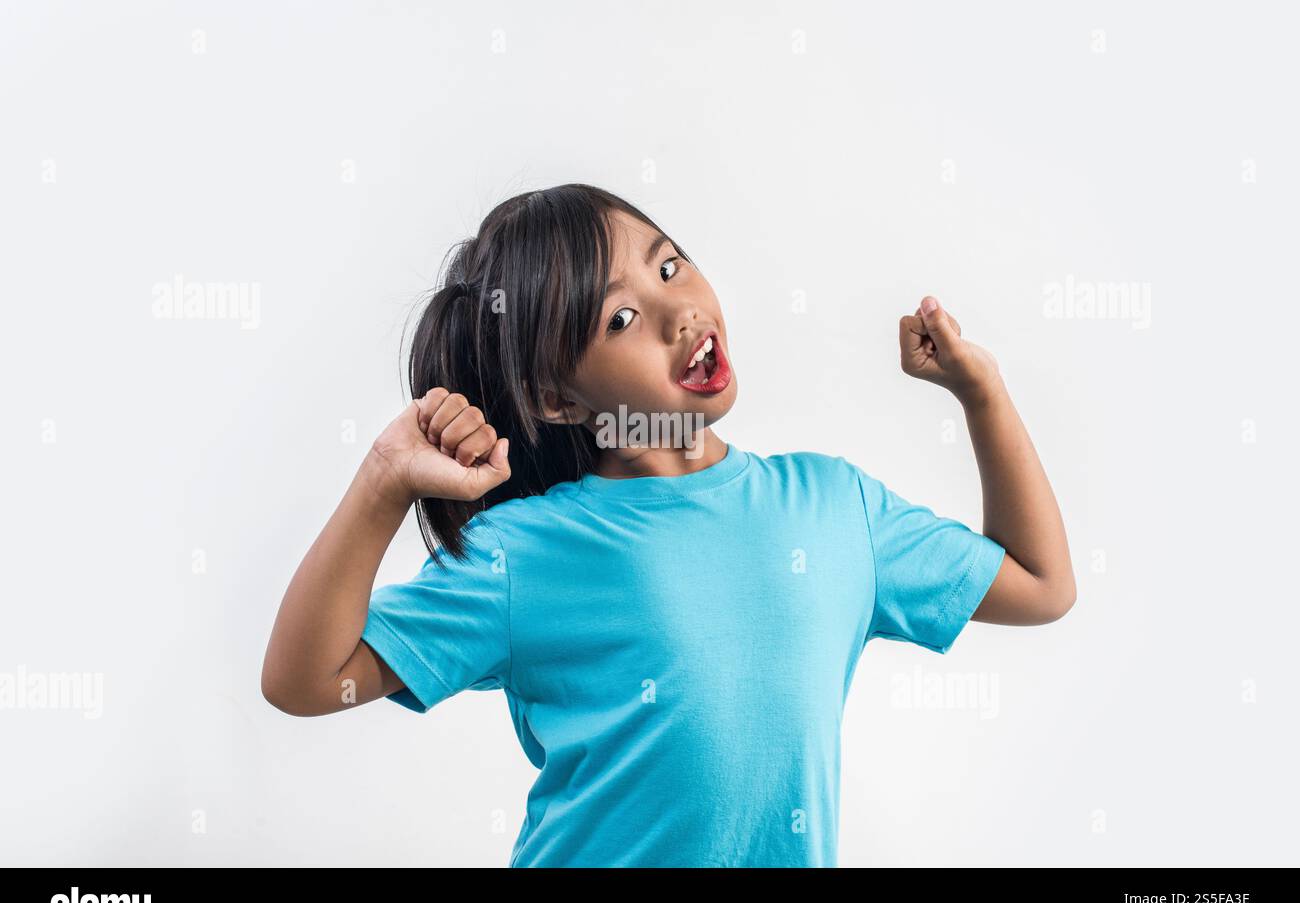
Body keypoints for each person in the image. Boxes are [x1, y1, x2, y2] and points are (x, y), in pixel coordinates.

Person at [261, 183, 1076, 867]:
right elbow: (303, 680)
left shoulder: (835, 509)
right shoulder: (530, 552)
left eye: (670, 264)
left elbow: (1042, 586)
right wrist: (382, 484)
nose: (676, 312)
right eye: (619, 319)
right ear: (558, 400)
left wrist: (983, 393)